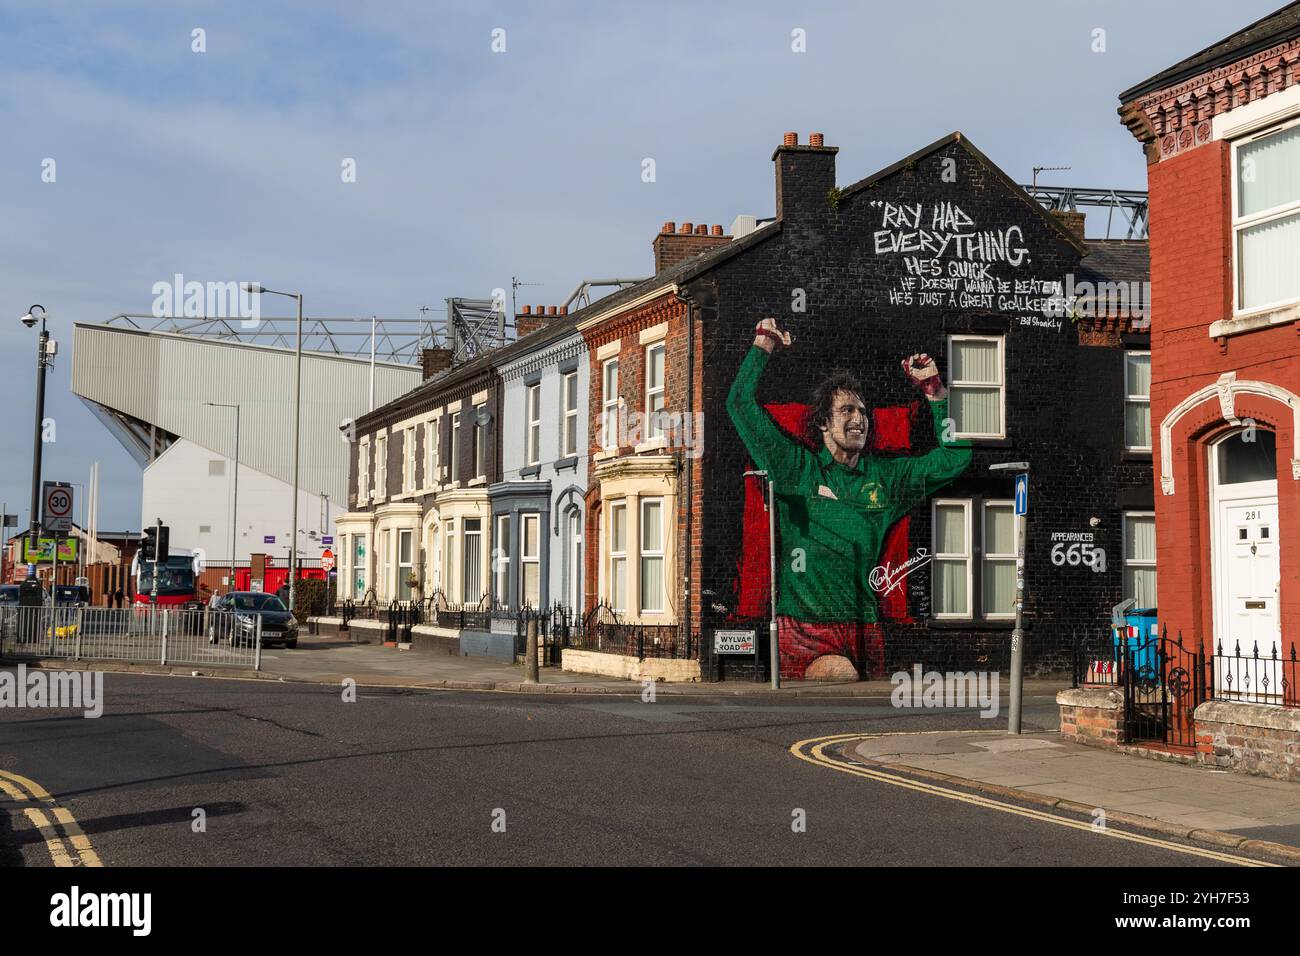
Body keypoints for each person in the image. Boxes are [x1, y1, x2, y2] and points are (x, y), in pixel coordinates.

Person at [725, 316, 972, 679]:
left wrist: (935, 393)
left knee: (862, 720)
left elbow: (957, 457)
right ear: (824, 422)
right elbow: (740, 405)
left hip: (865, 628)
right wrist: (764, 344)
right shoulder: (796, 469)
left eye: (863, 412)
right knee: (842, 678)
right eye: (847, 411)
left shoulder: (886, 479)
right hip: (805, 630)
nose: (859, 419)